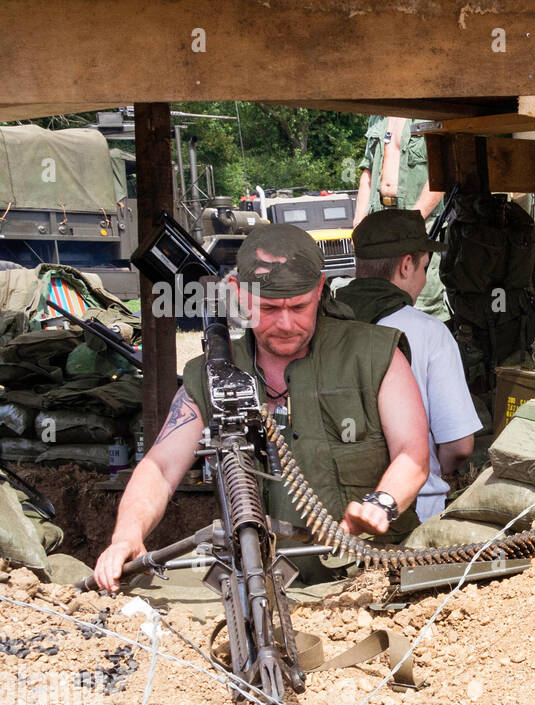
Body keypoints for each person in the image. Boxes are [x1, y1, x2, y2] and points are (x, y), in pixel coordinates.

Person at [92, 224, 430, 591]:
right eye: (268, 308)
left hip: (367, 579)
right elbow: (160, 467)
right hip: (262, 584)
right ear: (239, 294)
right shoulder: (215, 373)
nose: (285, 324)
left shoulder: (374, 354)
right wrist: (126, 535)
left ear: (320, 289)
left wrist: (381, 504)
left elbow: (413, 454)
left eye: (299, 307)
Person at [335, 210, 481, 521]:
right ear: (405, 265)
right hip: (412, 513)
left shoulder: (325, 322)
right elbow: (459, 446)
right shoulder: (430, 333)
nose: (424, 279)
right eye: (424, 268)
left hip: (336, 511)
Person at [353, 115, 450, 322]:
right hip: (379, 218)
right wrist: (359, 220)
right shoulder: (377, 117)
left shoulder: (429, 112)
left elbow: (440, 174)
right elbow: (368, 171)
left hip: (420, 222)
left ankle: (425, 348)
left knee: (423, 303)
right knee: (377, 299)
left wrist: (411, 222)